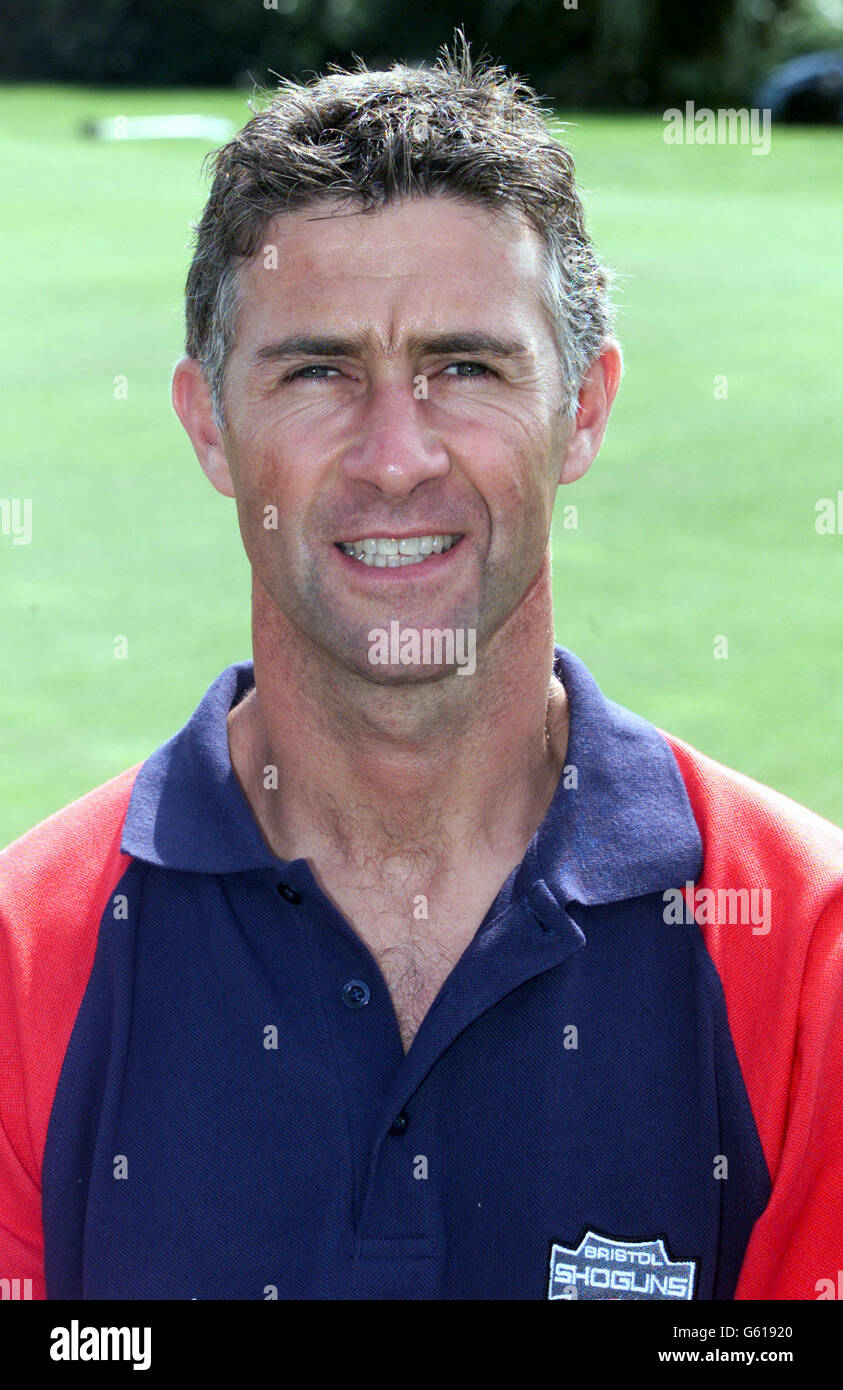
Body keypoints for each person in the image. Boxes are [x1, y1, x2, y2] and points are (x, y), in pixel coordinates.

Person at [1, 39, 841, 1303]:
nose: (397, 457)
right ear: (208, 425)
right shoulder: (25, 956)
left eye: (466, 367)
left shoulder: (803, 946)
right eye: (319, 370)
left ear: (587, 409)